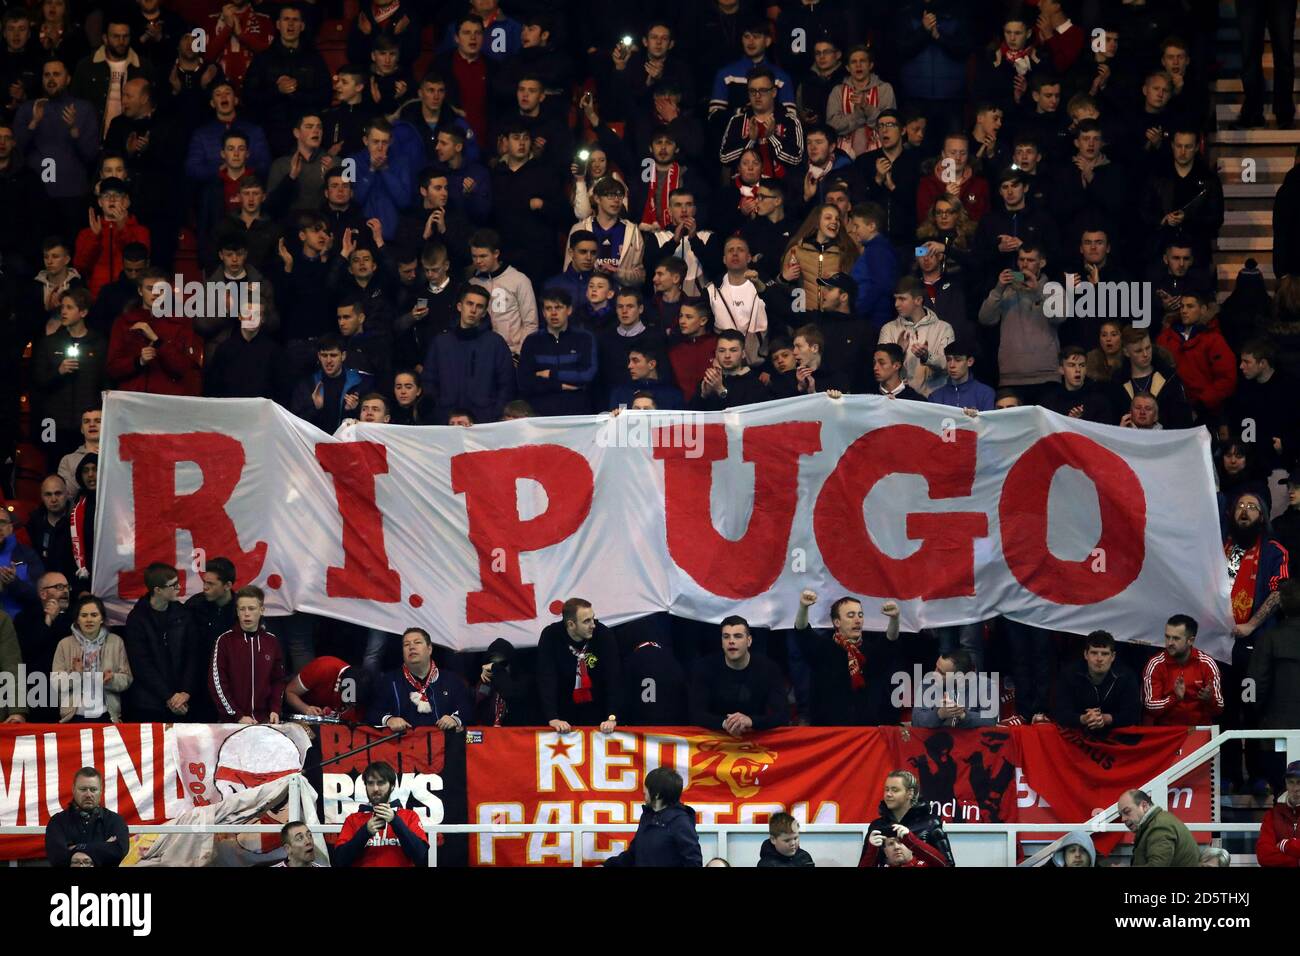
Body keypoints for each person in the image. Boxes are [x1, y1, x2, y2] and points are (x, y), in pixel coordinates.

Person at [793, 590, 903, 725]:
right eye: (851, 615)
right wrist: (803, 607)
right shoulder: (823, 649)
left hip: (866, 733)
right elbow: (802, 632)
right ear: (837, 622)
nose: (857, 620)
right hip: (829, 733)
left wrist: (895, 618)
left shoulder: (869, 651)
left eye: (860, 615)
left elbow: (889, 641)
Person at [978, 243, 1064, 404]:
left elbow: (1059, 317)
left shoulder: (1053, 289)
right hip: (1011, 376)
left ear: (1042, 263)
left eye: (1030, 260)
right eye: (1021, 259)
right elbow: (986, 319)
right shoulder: (1007, 290)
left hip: (1046, 376)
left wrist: (1037, 290)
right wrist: (998, 288)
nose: (1025, 264)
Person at [122, 562, 201, 722]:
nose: (178, 587)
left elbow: (193, 654)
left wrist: (185, 691)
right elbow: (141, 664)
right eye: (173, 585)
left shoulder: (183, 614)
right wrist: (169, 697)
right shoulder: (137, 619)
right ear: (157, 590)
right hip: (149, 703)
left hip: (182, 699)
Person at [689, 616, 787, 736]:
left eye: (738, 636)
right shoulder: (705, 667)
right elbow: (695, 714)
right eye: (726, 637)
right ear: (722, 642)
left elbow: (782, 715)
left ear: (749, 641)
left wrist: (751, 721)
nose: (731, 641)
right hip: (716, 738)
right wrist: (725, 723)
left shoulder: (769, 668)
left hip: (755, 738)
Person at [536, 598, 621, 733]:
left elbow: (613, 679)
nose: (593, 625)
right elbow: (547, 678)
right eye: (586, 621)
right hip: (563, 708)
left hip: (597, 708)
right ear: (571, 624)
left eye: (593, 619)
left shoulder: (604, 635)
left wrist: (612, 716)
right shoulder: (551, 636)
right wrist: (552, 717)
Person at [368, 627, 470, 733]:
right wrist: (389, 720)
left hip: (444, 746)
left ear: (429, 649)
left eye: (417, 642)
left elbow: (467, 710)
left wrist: (455, 719)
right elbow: (372, 713)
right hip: (403, 746)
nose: (411, 647)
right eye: (406, 644)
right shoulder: (389, 681)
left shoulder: (452, 680)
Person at [209, 586, 286, 725]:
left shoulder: (272, 641)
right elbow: (217, 683)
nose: (246, 614)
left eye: (251, 608)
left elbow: (278, 681)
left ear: (261, 610)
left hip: (264, 721)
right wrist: (237, 715)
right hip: (231, 722)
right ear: (237, 611)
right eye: (242, 609)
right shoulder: (224, 641)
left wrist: (275, 709)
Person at [1156, 293, 1236, 424]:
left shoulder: (1214, 339)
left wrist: (1202, 404)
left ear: (1203, 309)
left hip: (1205, 412)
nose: (1184, 310)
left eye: (1190, 306)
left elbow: (1226, 378)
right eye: (1182, 306)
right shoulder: (1166, 337)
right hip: (1169, 410)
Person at [517, 289, 599, 417]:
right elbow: (525, 382)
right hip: (541, 414)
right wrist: (560, 386)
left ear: (569, 310)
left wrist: (550, 373)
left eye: (559, 307)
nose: (553, 313)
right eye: (549, 308)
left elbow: (587, 375)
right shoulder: (532, 341)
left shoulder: (584, 338)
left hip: (577, 413)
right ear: (543, 313)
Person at [52, 594, 131, 723]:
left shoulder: (116, 642)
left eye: (94, 615)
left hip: (107, 716)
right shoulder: (64, 644)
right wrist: (76, 675)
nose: (89, 619)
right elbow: (56, 683)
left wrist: (111, 679)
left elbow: (127, 678)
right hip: (74, 716)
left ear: (101, 619)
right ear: (77, 619)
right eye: (84, 615)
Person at [334, 761, 428, 867]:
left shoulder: (409, 816)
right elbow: (340, 861)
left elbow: (421, 856)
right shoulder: (353, 819)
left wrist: (395, 821)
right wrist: (365, 832)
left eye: (381, 783)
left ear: (392, 786)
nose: (375, 789)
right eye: (370, 783)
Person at [603, 767, 701, 868]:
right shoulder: (647, 816)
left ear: (657, 795)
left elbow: (693, 862)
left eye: (647, 787)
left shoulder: (680, 822)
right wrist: (607, 865)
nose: (644, 790)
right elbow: (633, 854)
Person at [859, 769, 954, 867]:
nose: (888, 794)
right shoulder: (877, 826)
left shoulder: (930, 823)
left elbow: (948, 865)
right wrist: (871, 851)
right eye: (887, 789)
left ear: (910, 793)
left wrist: (913, 842)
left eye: (895, 790)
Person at [1141, 614, 1224, 725]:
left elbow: (1219, 708)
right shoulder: (1155, 664)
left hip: (1199, 731)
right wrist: (1175, 698)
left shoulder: (1206, 664)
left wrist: (1209, 699)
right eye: (1167, 637)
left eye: (1176, 638)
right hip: (1166, 732)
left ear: (1190, 640)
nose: (1169, 643)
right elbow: (1150, 706)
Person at [878, 277, 955, 396]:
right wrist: (898, 351)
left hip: (933, 400)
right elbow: (882, 369)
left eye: (902, 299)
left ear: (918, 300)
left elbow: (949, 365)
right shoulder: (888, 329)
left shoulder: (943, 328)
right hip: (899, 400)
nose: (896, 304)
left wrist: (927, 357)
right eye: (895, 299)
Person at [1053, 630, 1142, 732]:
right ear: (1086, 654)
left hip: (1115, 736)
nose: (1099, 659)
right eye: (1094, 653)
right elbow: (1060, 712)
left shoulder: (1126, 676)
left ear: (1113, 656)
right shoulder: (1069, 674)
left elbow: (1133, 714)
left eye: (1105, 654)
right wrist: (1084, 719)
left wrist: (1105, 718)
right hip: (1078, 734)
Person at [45, 767, 129, 867]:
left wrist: (76, 848)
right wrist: (102, 848)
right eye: (83, 789)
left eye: (93, 789)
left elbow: (119, 851)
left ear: (101, 791)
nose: (88, 794)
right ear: (73, 790)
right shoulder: (57, 822)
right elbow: (57, 857)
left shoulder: (115, 821)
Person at [690, 330, 770, 410]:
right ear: (716, 354)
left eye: (733, 350)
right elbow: (693, 418)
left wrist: (721, 391)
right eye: (722, 351)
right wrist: (704, 395)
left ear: (743, 354)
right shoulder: (709, 381)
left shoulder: (755, 384)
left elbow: (743, 416)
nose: (727, 355)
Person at [1118, 788, 1200, 867]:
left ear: (1144, 806)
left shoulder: (1159, 827)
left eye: (1127, 812)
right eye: (1121, 815)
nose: (1123, 819)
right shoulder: (1157, 822)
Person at [928, 339, 995, 412]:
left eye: (958, 360)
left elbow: (989, 423)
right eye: (948, 360)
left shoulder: (985, 394)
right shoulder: (935, 396)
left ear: (970, 362)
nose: (952, 365)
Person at [285, 655, 358, 721]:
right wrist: (306, 709)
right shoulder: (323, 668)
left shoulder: (358, 693)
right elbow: (289, 692)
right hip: (298, 711)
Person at [1255, 761, 1300, 868]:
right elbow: (1264, 855)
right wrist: (1297, 862)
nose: (1295, 788)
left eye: (1299, 782)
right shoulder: (1272, 815)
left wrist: (1284, 845)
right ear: (1286, 784)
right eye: (1291, 782)